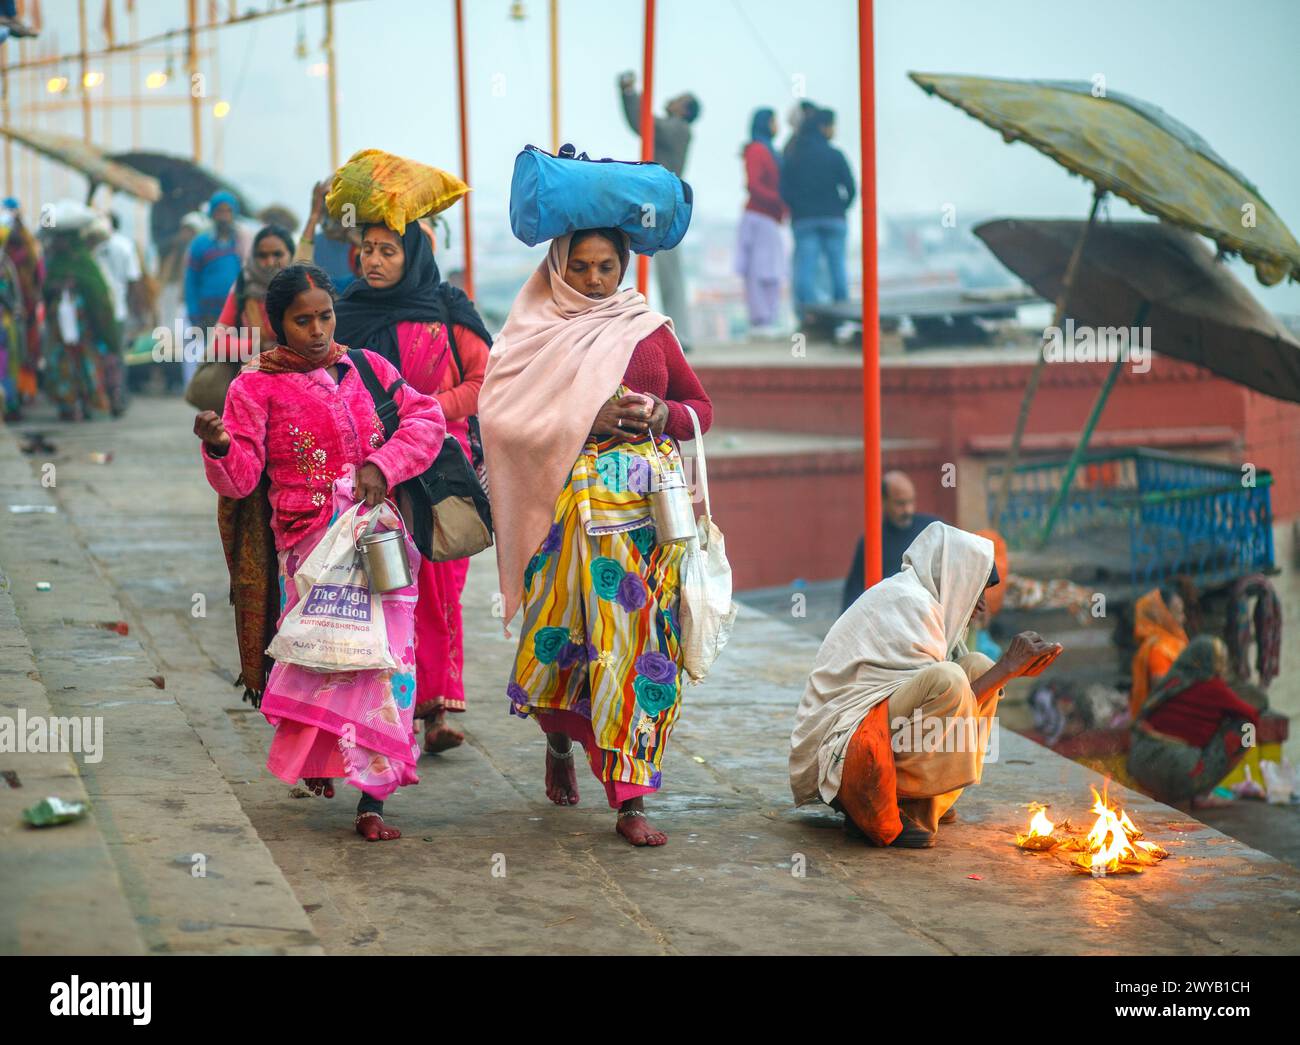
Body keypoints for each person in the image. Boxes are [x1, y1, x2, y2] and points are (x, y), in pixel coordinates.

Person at [193, 263, 445, 841]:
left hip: (381, 548)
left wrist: (383, 464)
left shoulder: (368, 368)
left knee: (384, 667)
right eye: (302, 320)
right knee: (323, 663)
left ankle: (373, 799)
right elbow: (241, 479)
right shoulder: (252, 388)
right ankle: (321, 760)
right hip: (307, 552)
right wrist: (221, 446)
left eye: (324, 316)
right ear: (275, 322)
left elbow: (427, 419)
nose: (316, 330)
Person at [479, 227, 713, 847]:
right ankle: (559, 738)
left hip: (647, 529)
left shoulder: (649, 329)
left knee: (639, 655)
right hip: (565, 524)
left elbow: (700, 407)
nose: (593, 280)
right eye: (579, 267)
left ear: (624, 265)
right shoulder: (533, 332)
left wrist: (664, 415)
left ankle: (630, 800)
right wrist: (585, 419)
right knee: (565, 644)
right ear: (557, 267)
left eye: (605, 266)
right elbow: (499, 418)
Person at [791, 522, 1061, 848]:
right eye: (976, 588)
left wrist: (1008, 671)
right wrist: (1006, 668)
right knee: (950, 679)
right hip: (847, 749)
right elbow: (949, 695)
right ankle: (886, 804)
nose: (979, 603)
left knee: (976, 665)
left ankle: (928, 799)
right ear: (955, 577)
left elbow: (954, 698)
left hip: (876, 725)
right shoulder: (909, 602)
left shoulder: (926, 603)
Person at [333, 219, 493, 755]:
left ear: (414, 255)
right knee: (380, 589)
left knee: (441, 588)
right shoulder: (344, 311)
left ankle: (438, 707)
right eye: (367, 250)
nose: (373, 260)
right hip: (373, 475)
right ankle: (381, 710)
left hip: (442, 472)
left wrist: (423, 412)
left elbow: (484, 383)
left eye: (388, 251)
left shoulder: (446, 309)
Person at [618, 70, 700, 349]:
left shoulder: (677, 129)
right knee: (666, 271)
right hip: (659, 203)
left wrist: (632, 93)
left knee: (669, 272)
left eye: (679, 100)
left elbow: (645, 124)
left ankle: (679, 334)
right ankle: (676, 333)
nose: (672, 99)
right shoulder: (675, 129)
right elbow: (643, 124)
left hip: (663, 206)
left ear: (685, 110)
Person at [1128, 636, 1260, 808]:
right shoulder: (1213, 687)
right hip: (1179, 768)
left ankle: (1162, 794)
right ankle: (1201, 794)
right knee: (1245, 728)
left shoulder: (1173, 681)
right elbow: (1251, 715)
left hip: (1140, 763)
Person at [780, 107, 856, 323]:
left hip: (805, 220)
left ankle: (809, 316)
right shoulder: (835, 154)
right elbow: (850, 188)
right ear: (824, 127)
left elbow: (784, 190)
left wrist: (798, 208)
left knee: (806, 268)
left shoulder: (794, 155)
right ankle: (843, 316)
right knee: (837, 266)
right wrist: (841, 207)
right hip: (834, 218)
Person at [41, 220, 123, 420]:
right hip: (60, 330)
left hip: (85, 330)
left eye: (62, 239)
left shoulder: (85, 262)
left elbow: (97, 292)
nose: (58, 243)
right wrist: (58, 287)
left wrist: (76, 284)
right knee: (62, 365)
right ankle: (67, 406)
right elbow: (45, 289)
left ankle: (89, 403)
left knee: (87, 365)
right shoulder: (55, 263)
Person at [841, 470, 942, 611]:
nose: (908, 510)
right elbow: (854, 595)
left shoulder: (932, 530)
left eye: (911, 501)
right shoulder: (871, 543)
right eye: (900, 504)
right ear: (883, 500)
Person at [211, 224, 297, 363]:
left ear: (291, 254)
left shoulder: (303, 287)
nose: (270, 262)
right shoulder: (243, 286)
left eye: (277, 254)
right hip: (253, 372)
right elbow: (217, 343)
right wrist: (257, 346)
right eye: (262, 255)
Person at [736, 108, 786, 336]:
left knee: (769, 270)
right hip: (760, 216)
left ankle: (768, 318)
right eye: (775, 121)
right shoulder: (758, 150)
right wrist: (781, 202)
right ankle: (761, 319)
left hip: (768, 218)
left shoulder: (767, 150)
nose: (778, 126)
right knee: (759, 271)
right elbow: (754, 185)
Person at [185, 191, 247, 344]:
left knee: (238, 357)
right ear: (212, 214)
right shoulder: (200, 243)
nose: (224, 216)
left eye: (228, 211)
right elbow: (191, 281)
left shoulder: (242, 242)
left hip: (239, 312)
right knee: (214, 358)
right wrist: (194, 313)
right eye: (220, 211)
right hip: (210, 315)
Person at [3, 198, 45, 411]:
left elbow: (38, 277)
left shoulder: (21, 251)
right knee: (20, 350)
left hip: (22, 307)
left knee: (23, 349)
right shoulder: (18, 251)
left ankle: (23, 392)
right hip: (19, 307)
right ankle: (20, 394)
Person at [1128, 583, 1189, 717]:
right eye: (1178, 613)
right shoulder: (1159, 649)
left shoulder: (1170, 644)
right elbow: (1164, 690)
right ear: (1162, 615)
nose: (1184, 618)